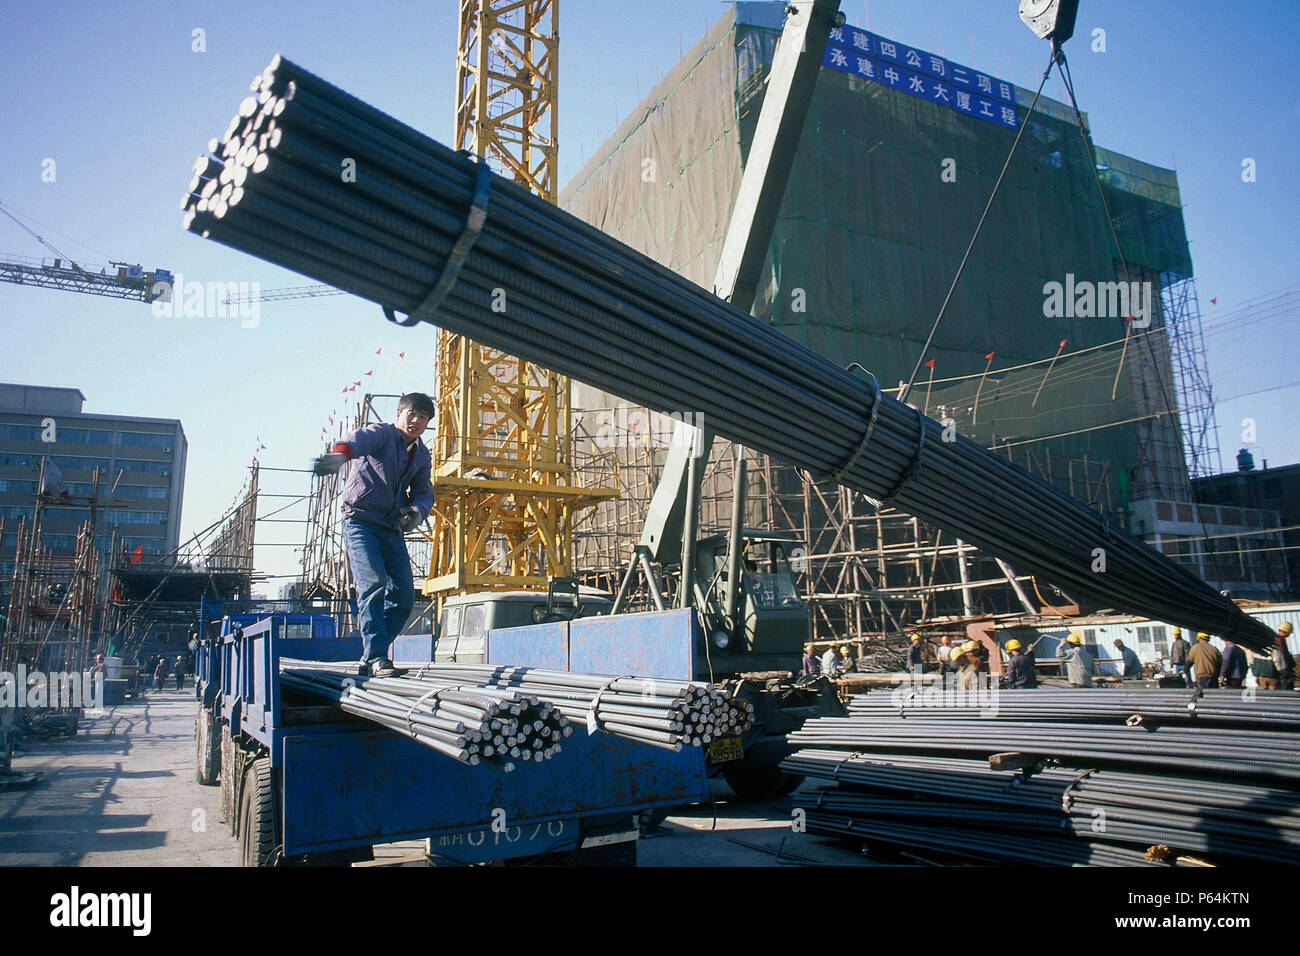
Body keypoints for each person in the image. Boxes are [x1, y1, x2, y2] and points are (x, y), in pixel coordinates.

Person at [314, 392, 435, 679]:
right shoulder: (382, 435)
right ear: (398, 415)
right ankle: (378, 655)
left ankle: (371, 653)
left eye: (423, 417)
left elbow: (423, 491)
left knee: (404, 596)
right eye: (412, 414)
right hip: (360, 521)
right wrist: (338, 456)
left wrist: (416, 512)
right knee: (373, 584)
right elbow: (357, 440)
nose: (416, 421)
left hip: (391, 527)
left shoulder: (421, 454)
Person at [1276, 622, 1296, 691]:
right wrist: (1292, 663)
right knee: (1287, 689)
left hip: (1279, 670)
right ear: (1287, 631)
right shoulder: (1280, 641)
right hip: (1283, 671)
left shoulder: (1277, 639)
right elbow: (1284, 656)